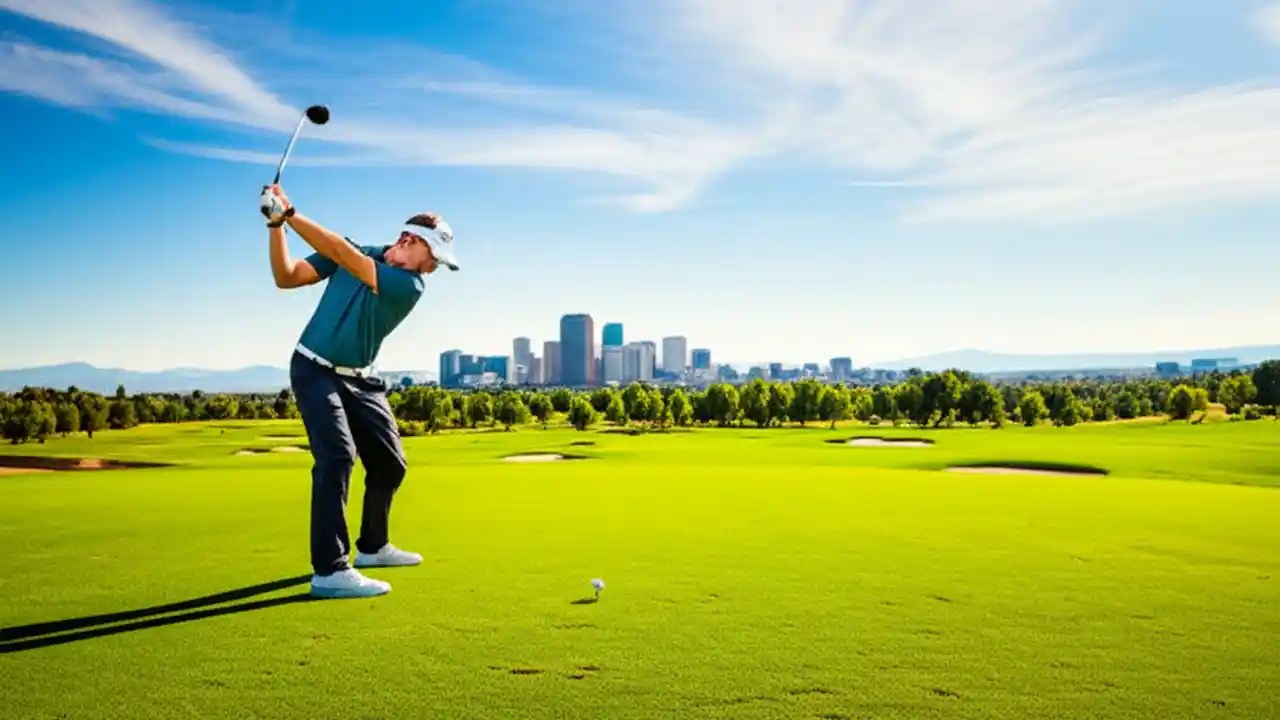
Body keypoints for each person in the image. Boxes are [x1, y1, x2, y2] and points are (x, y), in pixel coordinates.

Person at [260, 184, 458, 599]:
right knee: (336, 456)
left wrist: (290, 214)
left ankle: (373, 547)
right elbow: (287, 277)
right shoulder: (361, 252)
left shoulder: (409, 286)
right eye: (433, 258)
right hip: (314, 369)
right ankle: (330, 570)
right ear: (410, 241)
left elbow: (341, 254)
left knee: (390, 464)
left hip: (361, 378)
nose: (433, 268)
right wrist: (276, 225)